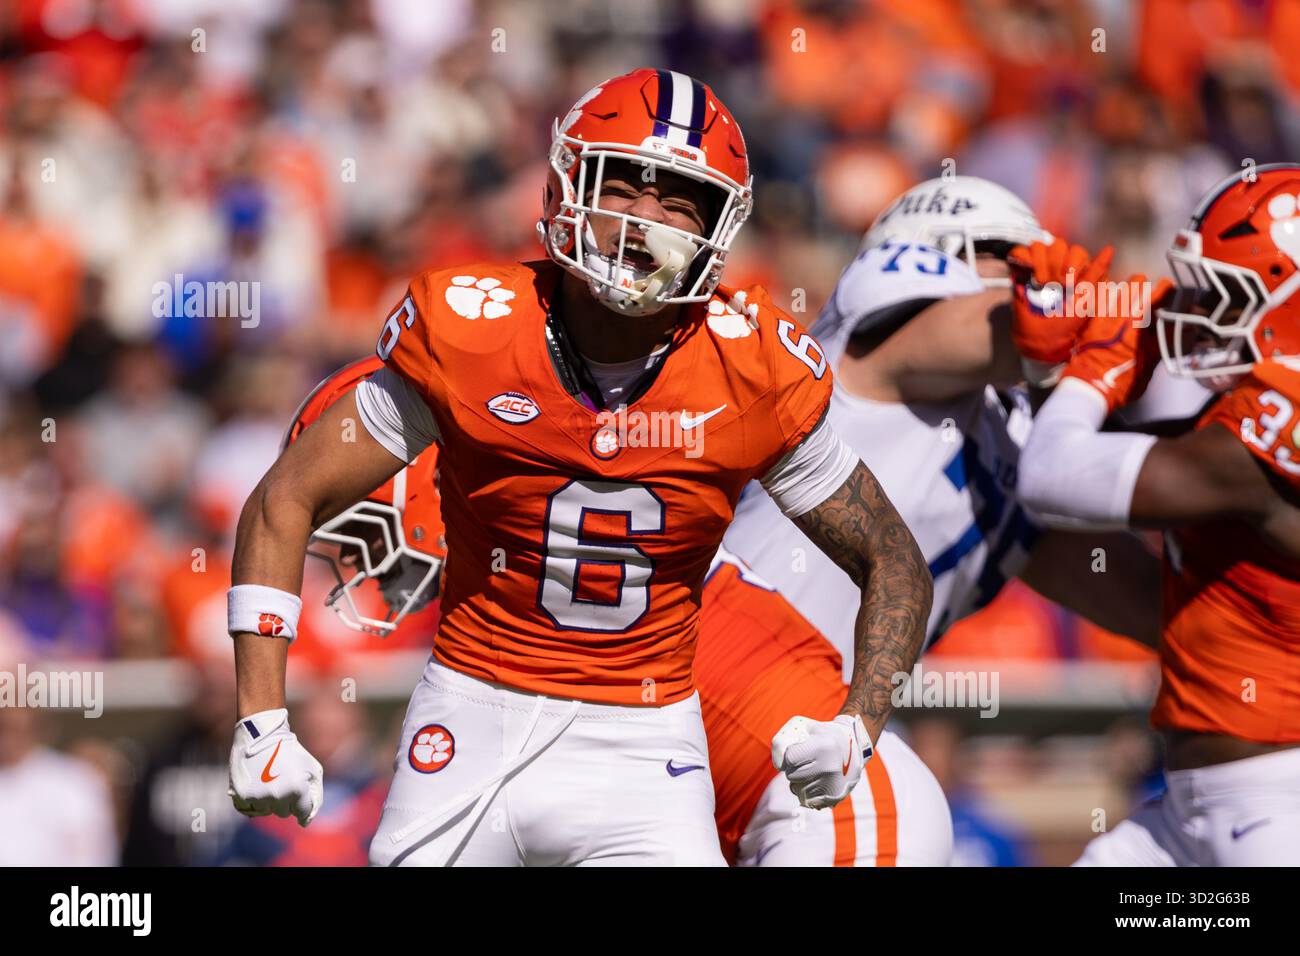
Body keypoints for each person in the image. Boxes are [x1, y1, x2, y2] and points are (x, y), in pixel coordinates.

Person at [225, 69, 932, 867]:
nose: (642, 221)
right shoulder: (475, 330)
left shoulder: (753, 367)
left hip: (645, 744)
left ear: (718, 230)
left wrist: (859, 725)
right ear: (569, 185)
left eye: (676, 201)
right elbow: (285, 498)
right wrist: (261, 720)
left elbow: (893, 559)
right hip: (469, 714)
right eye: (624, 185)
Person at [712, 176, 1162, 865]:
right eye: (1016, 266)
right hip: (717, 669)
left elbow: (1161, 609)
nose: (1031, 287)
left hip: (814, 742)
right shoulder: (868, 339)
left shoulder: (1016, 449)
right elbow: (967, 334)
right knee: (901, 821)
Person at [1013, 163, 1300, 865]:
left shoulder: (1272, 419)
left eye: (1225, 297)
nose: (1198, 315)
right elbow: (1060, 477)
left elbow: (1050, 476)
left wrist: (1096, 372)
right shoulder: (1234, 421)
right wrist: (1041, 374)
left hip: (1275, 806)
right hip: (1196, 807)